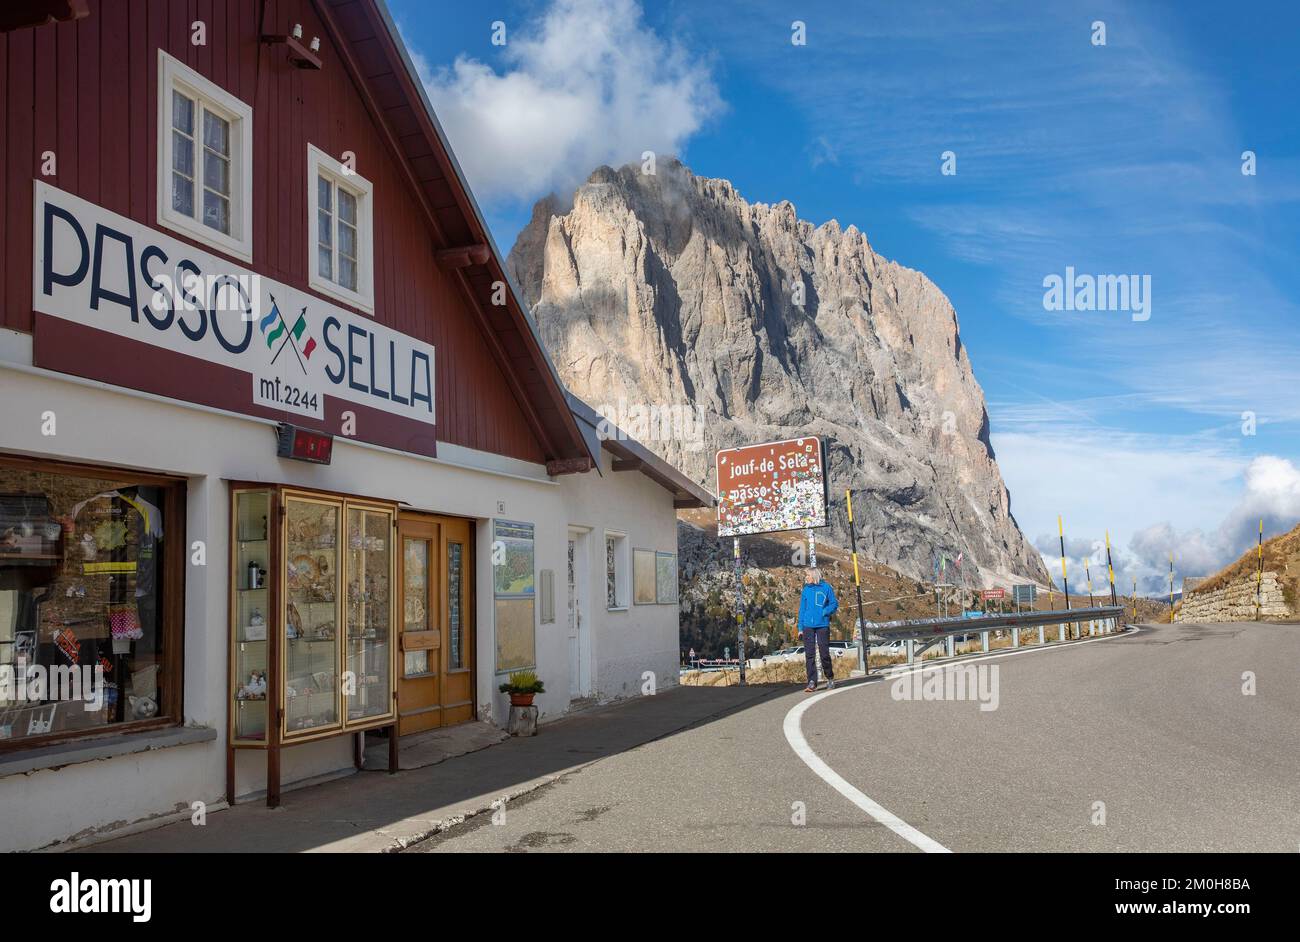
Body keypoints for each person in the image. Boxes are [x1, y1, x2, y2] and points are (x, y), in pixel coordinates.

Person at [798, 568, 839, 692]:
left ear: (814, 576)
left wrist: (825, 612)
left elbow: (834, 604)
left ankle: (830, 678)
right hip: (807, 626)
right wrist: (800, 627)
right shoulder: (805, 590)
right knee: (809, 655)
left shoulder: (826, 588)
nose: (806, 578)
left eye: (808, 575)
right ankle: (812, 682)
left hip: (822, 625)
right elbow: (802, 610)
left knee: (824, 653)